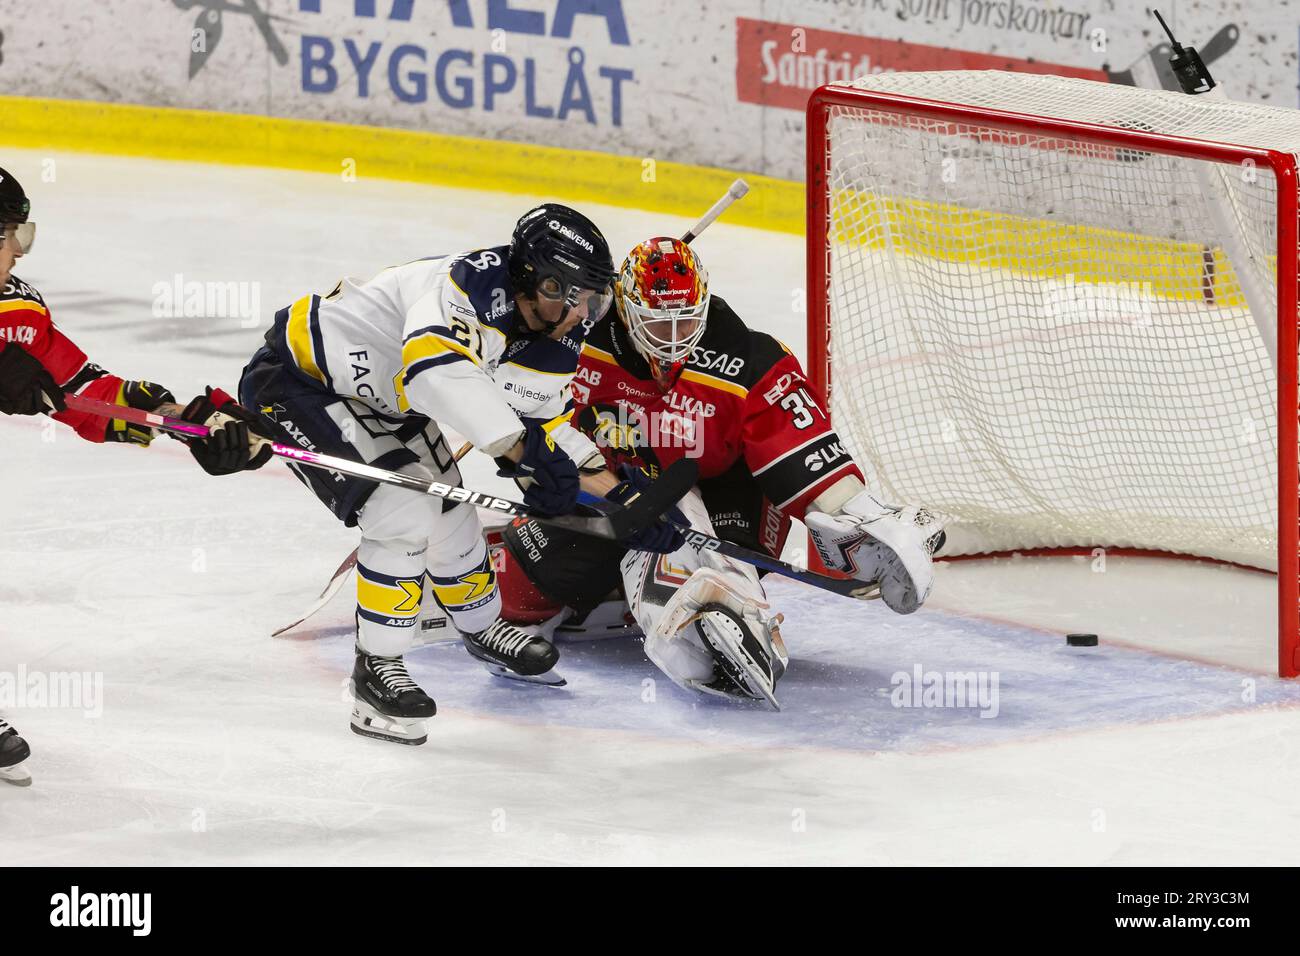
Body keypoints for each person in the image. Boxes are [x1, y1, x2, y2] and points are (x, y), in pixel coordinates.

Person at [237, 204, 631, 745]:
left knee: (450, 512)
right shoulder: (467, 286)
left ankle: (481, 628)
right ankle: (375, 669)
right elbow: (433, 374)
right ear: (544, 282)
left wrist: (621, 498)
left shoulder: (550, 324)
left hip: (386, 404)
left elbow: (543, 417)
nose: (587, 311)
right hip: (301, 385)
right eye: (580, 295)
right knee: (402, 513)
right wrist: (522, 454)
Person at [495, 237, 942, 708]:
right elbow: (531, 432)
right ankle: (629, 591)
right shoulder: (573, 349)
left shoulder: (749, 358)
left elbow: (802, 451)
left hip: (730, 496)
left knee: (704, 549)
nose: (672, 340)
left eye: (685, 321)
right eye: (657, 323)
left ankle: (719, 608)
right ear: (625, 311)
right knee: (533, 573)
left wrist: (849, 512)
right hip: (617, 491)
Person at [1, 164, 272, 783]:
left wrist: (181, 418)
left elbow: (80, 388)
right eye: (7, 235)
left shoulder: (17, 311)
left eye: (22, 233)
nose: (17, 250)